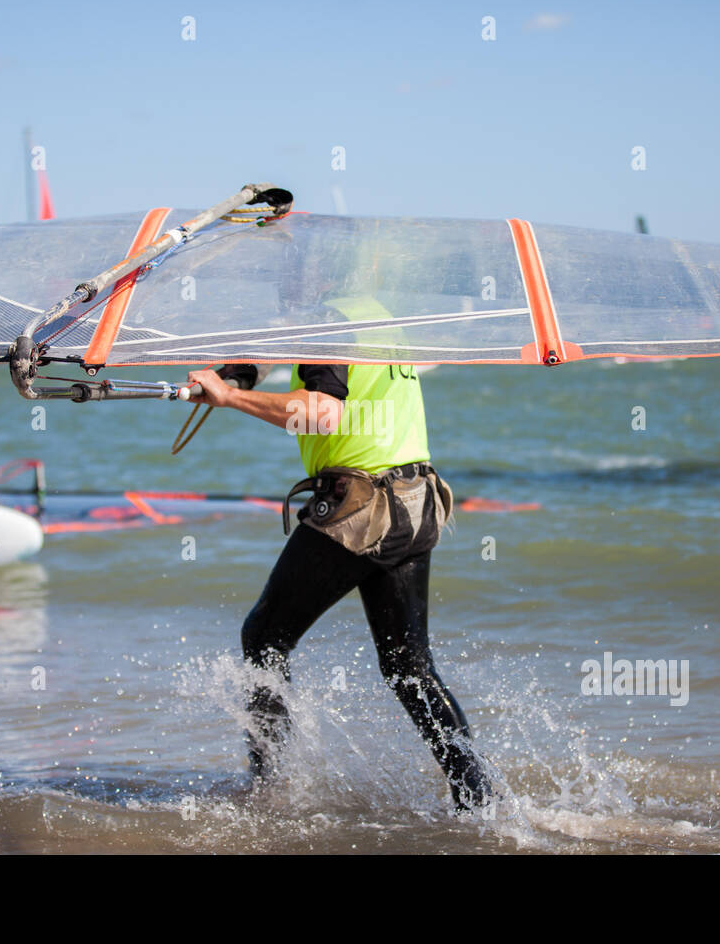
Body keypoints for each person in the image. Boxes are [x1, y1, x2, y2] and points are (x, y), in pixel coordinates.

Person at [186, 342, 492, 813]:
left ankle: (269, 788)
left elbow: (321, 411)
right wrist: (239, 374)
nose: (283, 287)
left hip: (361, 506)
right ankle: (479, 799)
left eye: (288, 275)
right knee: (408, 668)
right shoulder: (382, 315)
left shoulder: (327, 326)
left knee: (264, 637)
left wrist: (230, 398)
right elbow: (297, 358)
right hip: (415, 500)